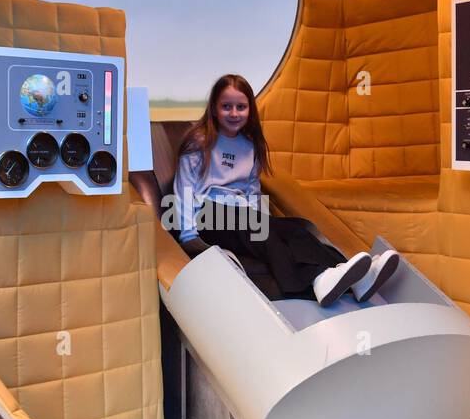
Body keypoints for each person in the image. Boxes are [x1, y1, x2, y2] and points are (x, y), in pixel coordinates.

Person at [170, 73, 401, 306]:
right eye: (226, 106)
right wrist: (188, 235)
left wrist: (266, 221)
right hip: (208, 215)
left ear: (250, 109)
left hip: (243, 216)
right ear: (214, 108)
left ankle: (355, 279)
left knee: (296, 230)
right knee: (264, 233)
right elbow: (185, 189)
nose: (234, 113)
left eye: (241, 107)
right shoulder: (199, 142)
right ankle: (315, 281)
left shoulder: (250, 146)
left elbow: (252, 192)